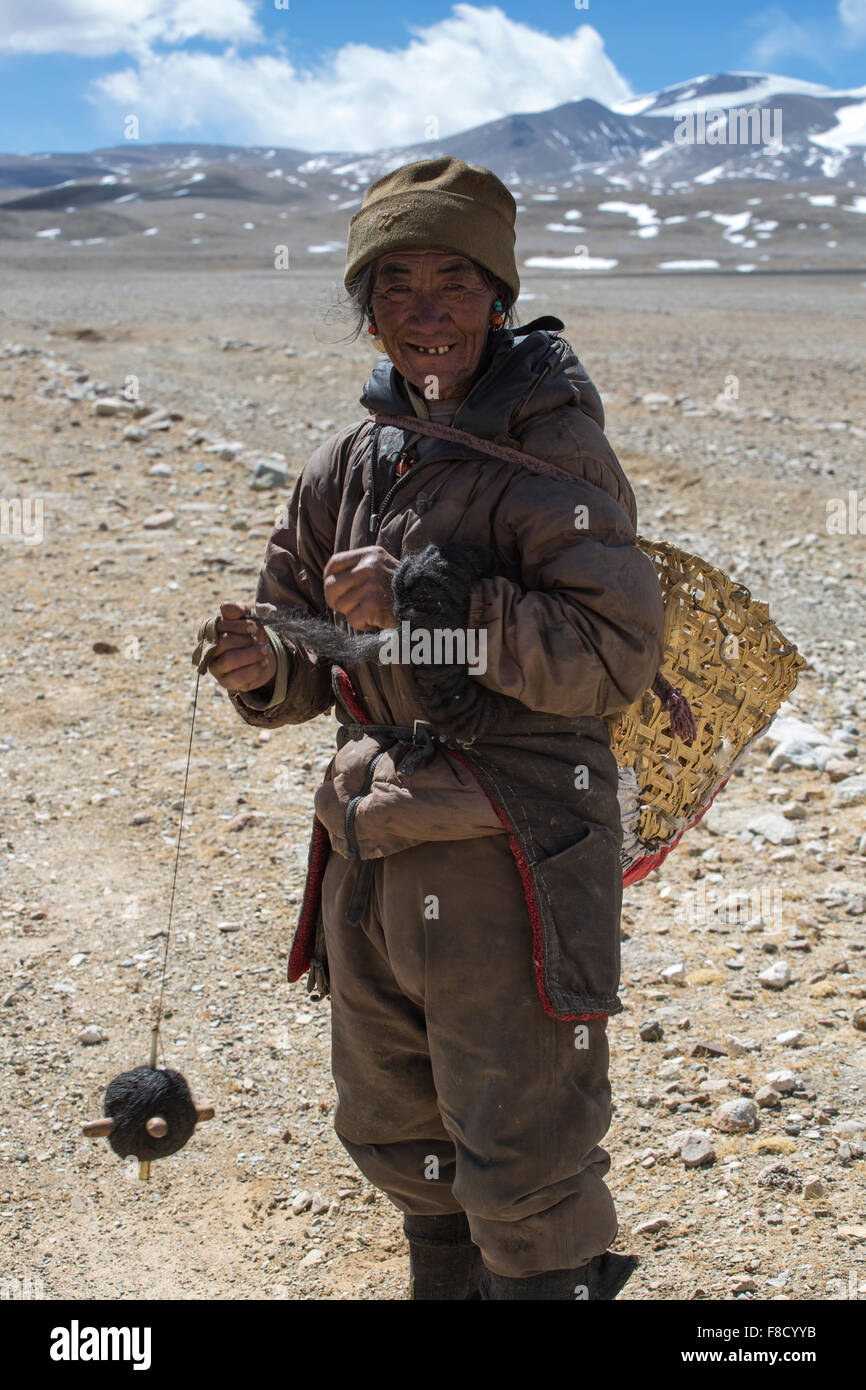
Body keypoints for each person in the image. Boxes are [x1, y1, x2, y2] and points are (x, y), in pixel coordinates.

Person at [200, 157, 664, 1300]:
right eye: (393, 284)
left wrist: (433, 599)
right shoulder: (346, 465)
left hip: (509, 832)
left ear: (498, 297)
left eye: (453, 280)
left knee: (520, 1145)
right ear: (365, 307)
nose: (425, 311)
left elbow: (611, 653)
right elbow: (305, 647)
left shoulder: (554, 456)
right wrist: (267, 665)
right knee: (394, 1124)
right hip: (369, 831)